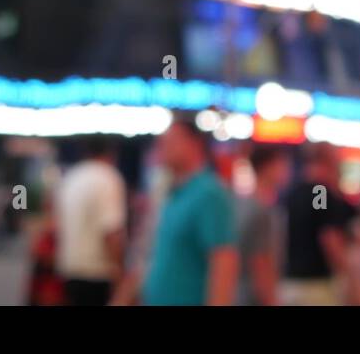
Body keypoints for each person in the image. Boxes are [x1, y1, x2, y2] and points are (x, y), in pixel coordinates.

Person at [142, 117, 238, 305]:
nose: (164, 148)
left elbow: (223, 261)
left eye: (172, 141)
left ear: (195, 144)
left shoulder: (209, 193)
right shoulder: (174, 194)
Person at [281, 142, 360, 305]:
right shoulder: (320, 192)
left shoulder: (292, 193)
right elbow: (329, 237)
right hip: (315, 286)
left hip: (289, 284)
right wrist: (353, 281)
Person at [56, 135, 127, 306]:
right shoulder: (108, 177)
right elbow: (111, 231)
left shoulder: (71, 177)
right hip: (97, 274)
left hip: (69, 270)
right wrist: (120, 275)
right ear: (111, 153)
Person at [236, 145, 290, 305]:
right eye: (282, 164)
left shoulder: (244, 204)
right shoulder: (261, 210)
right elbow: (261, 263)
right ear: (267, 167)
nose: (286, 170)